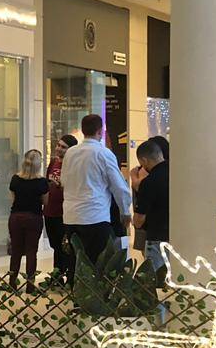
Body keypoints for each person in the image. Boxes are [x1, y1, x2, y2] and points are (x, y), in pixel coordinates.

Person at [60, 113, 132, 266]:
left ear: (83, 130)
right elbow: (119, 187)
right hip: (95, 215)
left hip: (71, 216)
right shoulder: (103, 153)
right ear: (100, 131)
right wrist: (125, 211)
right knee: (98, 264)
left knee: (76, 263)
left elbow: (63, 181)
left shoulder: (70, 153)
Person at [7, 150, 49, 293]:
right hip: (34, 218)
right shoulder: (42, 182)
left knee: (16, 251)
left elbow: (13, 199)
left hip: (16, 217)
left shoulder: (15, 179)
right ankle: (30, 286)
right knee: (31, 252)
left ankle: (12, 283)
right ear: (39, 164)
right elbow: (45, 202)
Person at [43, 134, 78, 287]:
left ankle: (70, 276)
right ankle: (57, 276)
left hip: (65, 213)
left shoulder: (73, 166)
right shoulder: (53, 163)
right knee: (56, 246)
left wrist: (60, 185)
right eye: (58, 145)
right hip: (50, 210)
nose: (59, 149)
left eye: (63, 147)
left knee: (66, 247)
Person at [133, 137, 170, 274]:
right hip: (177, 235)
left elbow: (139, 219)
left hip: (156, 237)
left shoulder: (149, 182)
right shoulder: (177, 174)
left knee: (155, 279)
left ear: (144, 160)